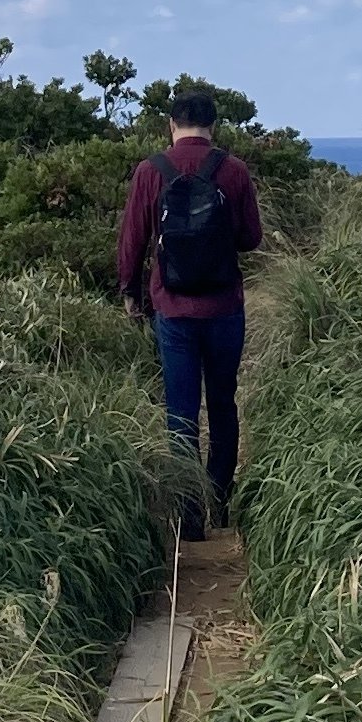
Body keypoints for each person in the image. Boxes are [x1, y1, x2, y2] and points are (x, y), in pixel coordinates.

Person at [117, 87, 264, 529]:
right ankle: (220, 504)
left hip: (173, 309)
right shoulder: (233, 171)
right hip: (223, 308)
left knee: (180, 413)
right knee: (222, 403)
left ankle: (189, 516)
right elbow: (251, 239)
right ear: (213, 126)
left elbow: (132, 240)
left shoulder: (150, 171)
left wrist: (130, 292)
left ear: (172, 124)